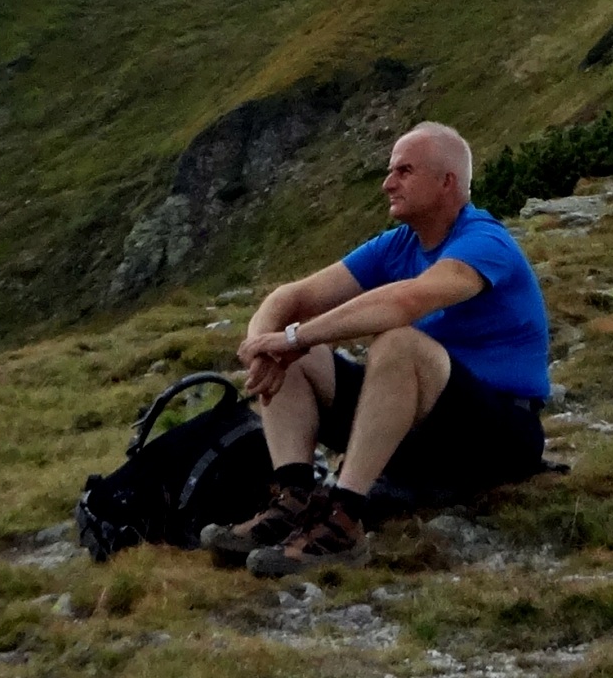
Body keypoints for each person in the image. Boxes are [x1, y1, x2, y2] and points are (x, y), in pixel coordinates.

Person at [210, 123, 552, 577]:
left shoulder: (485, 242)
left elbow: (404, 302)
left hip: (498, 437)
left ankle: (343, 520)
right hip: (425, 425)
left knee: (397, 343)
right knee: (297, 350)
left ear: (447, 181)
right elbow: (292, 296)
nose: (388, 183)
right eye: (391, 171)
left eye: (404, 171)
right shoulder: (398, 245)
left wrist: (294, 338)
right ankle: (294, 501)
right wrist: (263, 344)